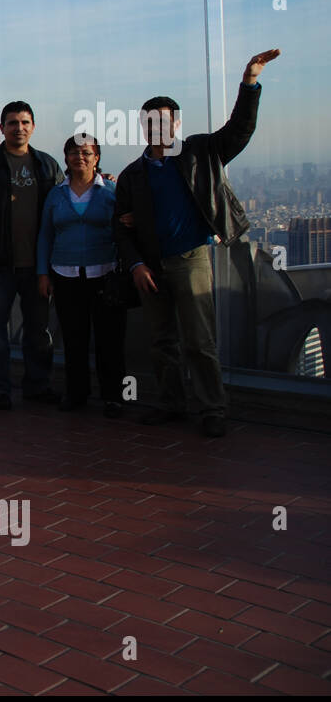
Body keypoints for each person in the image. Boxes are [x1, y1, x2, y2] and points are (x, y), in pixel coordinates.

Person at [115, 49, 280, 438]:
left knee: (200, 341)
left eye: (166, 122)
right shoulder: (132, 175)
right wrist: (136, 264)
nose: (159, 129)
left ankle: (211, 408)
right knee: (162, 341)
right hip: (151, 266)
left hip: (191, 258)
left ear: (176, 124)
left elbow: (240, 130)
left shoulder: (201, 152)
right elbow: (119, 227)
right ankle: (171, 403)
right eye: (152, 123)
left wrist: (250, 82)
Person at [0, 101, 65, 410]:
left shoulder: (47, 165)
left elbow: (62, 203)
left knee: (38, 331)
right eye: (13, 122)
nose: (19, 128)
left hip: (38, 266)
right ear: (2, 127)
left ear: (33, 127)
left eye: (25, 122)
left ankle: (37, 386)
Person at [36, 135, 126, 417]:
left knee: (109, 340)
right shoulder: (56, 194)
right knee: (74, 339)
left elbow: (125, 229)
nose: (80, 157)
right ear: (66, 158)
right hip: (65, 275)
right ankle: (76, 393)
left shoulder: (110, 191)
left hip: (105, 274)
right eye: (74, 152)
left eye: (87, 152)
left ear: (97, 157)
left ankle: (114, 396)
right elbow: (45, 236)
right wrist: (43, 273)